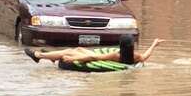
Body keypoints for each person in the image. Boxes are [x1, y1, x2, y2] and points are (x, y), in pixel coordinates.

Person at [29, 37, 159, 70]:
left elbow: (94, 57)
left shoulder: (116, 55)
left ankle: (39, 56)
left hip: (101, 61)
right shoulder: (136, 57)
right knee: (78, 48)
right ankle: (52, 57)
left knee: (71, 51)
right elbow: (146, 56)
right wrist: (154, 44)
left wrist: (73, 60)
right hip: (107, 60)